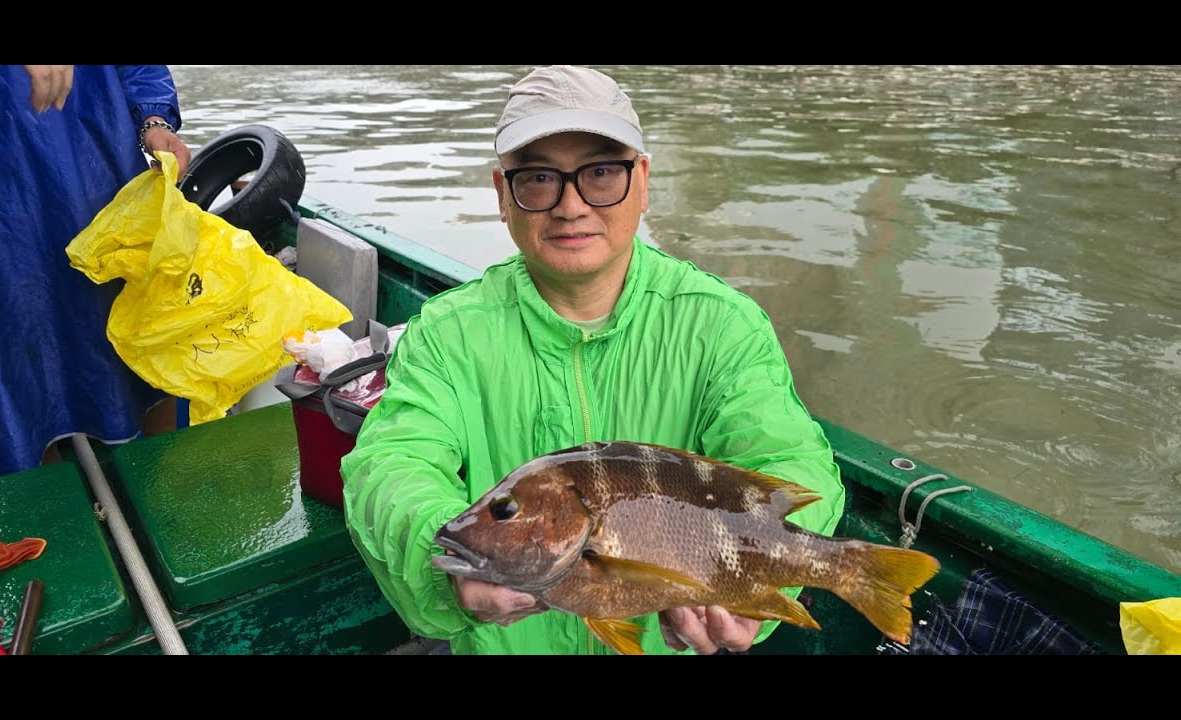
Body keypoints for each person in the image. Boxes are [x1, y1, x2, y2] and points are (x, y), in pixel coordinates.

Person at [341, 65, 845, 655]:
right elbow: (389, 464)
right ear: (503, 195)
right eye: (538, 178)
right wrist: (439, 550)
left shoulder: (720, 324)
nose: (571, 205)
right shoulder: (448, 335)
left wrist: (757, 583)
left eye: (601, 172)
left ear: (644, 182)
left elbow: (789, 461)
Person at [0, 65, 192, 479]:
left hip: (98, 166)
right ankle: (48, 513)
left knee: (138, 330)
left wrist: (153, 120)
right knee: (13, 344)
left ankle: (166, 488)